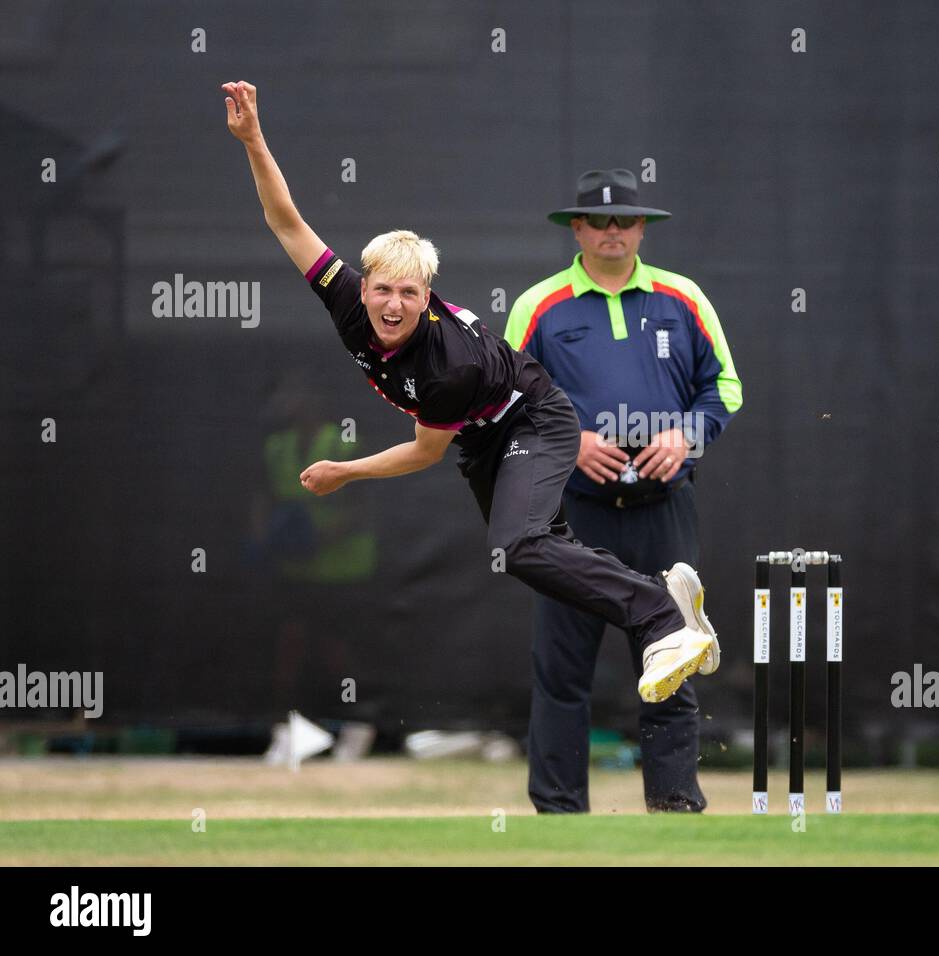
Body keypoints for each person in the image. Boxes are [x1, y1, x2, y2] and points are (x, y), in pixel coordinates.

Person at [220, 81, 720, 707]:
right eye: (383, 290)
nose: (393, 304)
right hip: (489, 438)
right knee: (533, 553)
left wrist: (347, 471)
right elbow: (284, 219)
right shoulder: (344, 294)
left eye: (409, 293)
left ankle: (659, 619)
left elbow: (425, 453)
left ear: (427, 296)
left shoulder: (443, 371)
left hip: (535, 421)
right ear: (363, 285)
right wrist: (253, 139)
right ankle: (661, 603)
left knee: (520, 544)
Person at [505, 169, 743, 812]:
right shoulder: (539, 305)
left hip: (663, 512)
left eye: (626, 220)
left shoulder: (682, 297)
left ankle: (674, 806)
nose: (614, 231)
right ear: (576, 228)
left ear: (643, 227)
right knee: (561, 672)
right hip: (571, 516)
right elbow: (501, 403)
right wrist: (570, 443)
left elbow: (723, 389)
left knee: (675, 658)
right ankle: (559, 818)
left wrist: (686, 435)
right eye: (600, 221)